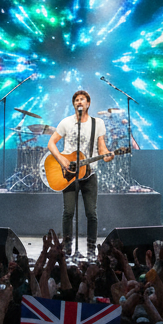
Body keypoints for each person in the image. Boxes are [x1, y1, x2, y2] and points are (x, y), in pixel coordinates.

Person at [47, 90, 113, 257]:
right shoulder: (66, 122)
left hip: (90, 174)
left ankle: (91, 251)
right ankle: (67, 250)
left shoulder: (97, 123)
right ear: (74, 104)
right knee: (68, 212)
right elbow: (51, 143)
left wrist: (107, 156)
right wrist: (62, 160)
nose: (79, 102)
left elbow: (102, 147)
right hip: (69, 174)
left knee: (92, 213)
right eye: (76, 100)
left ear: (88, 103)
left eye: (82, 99)